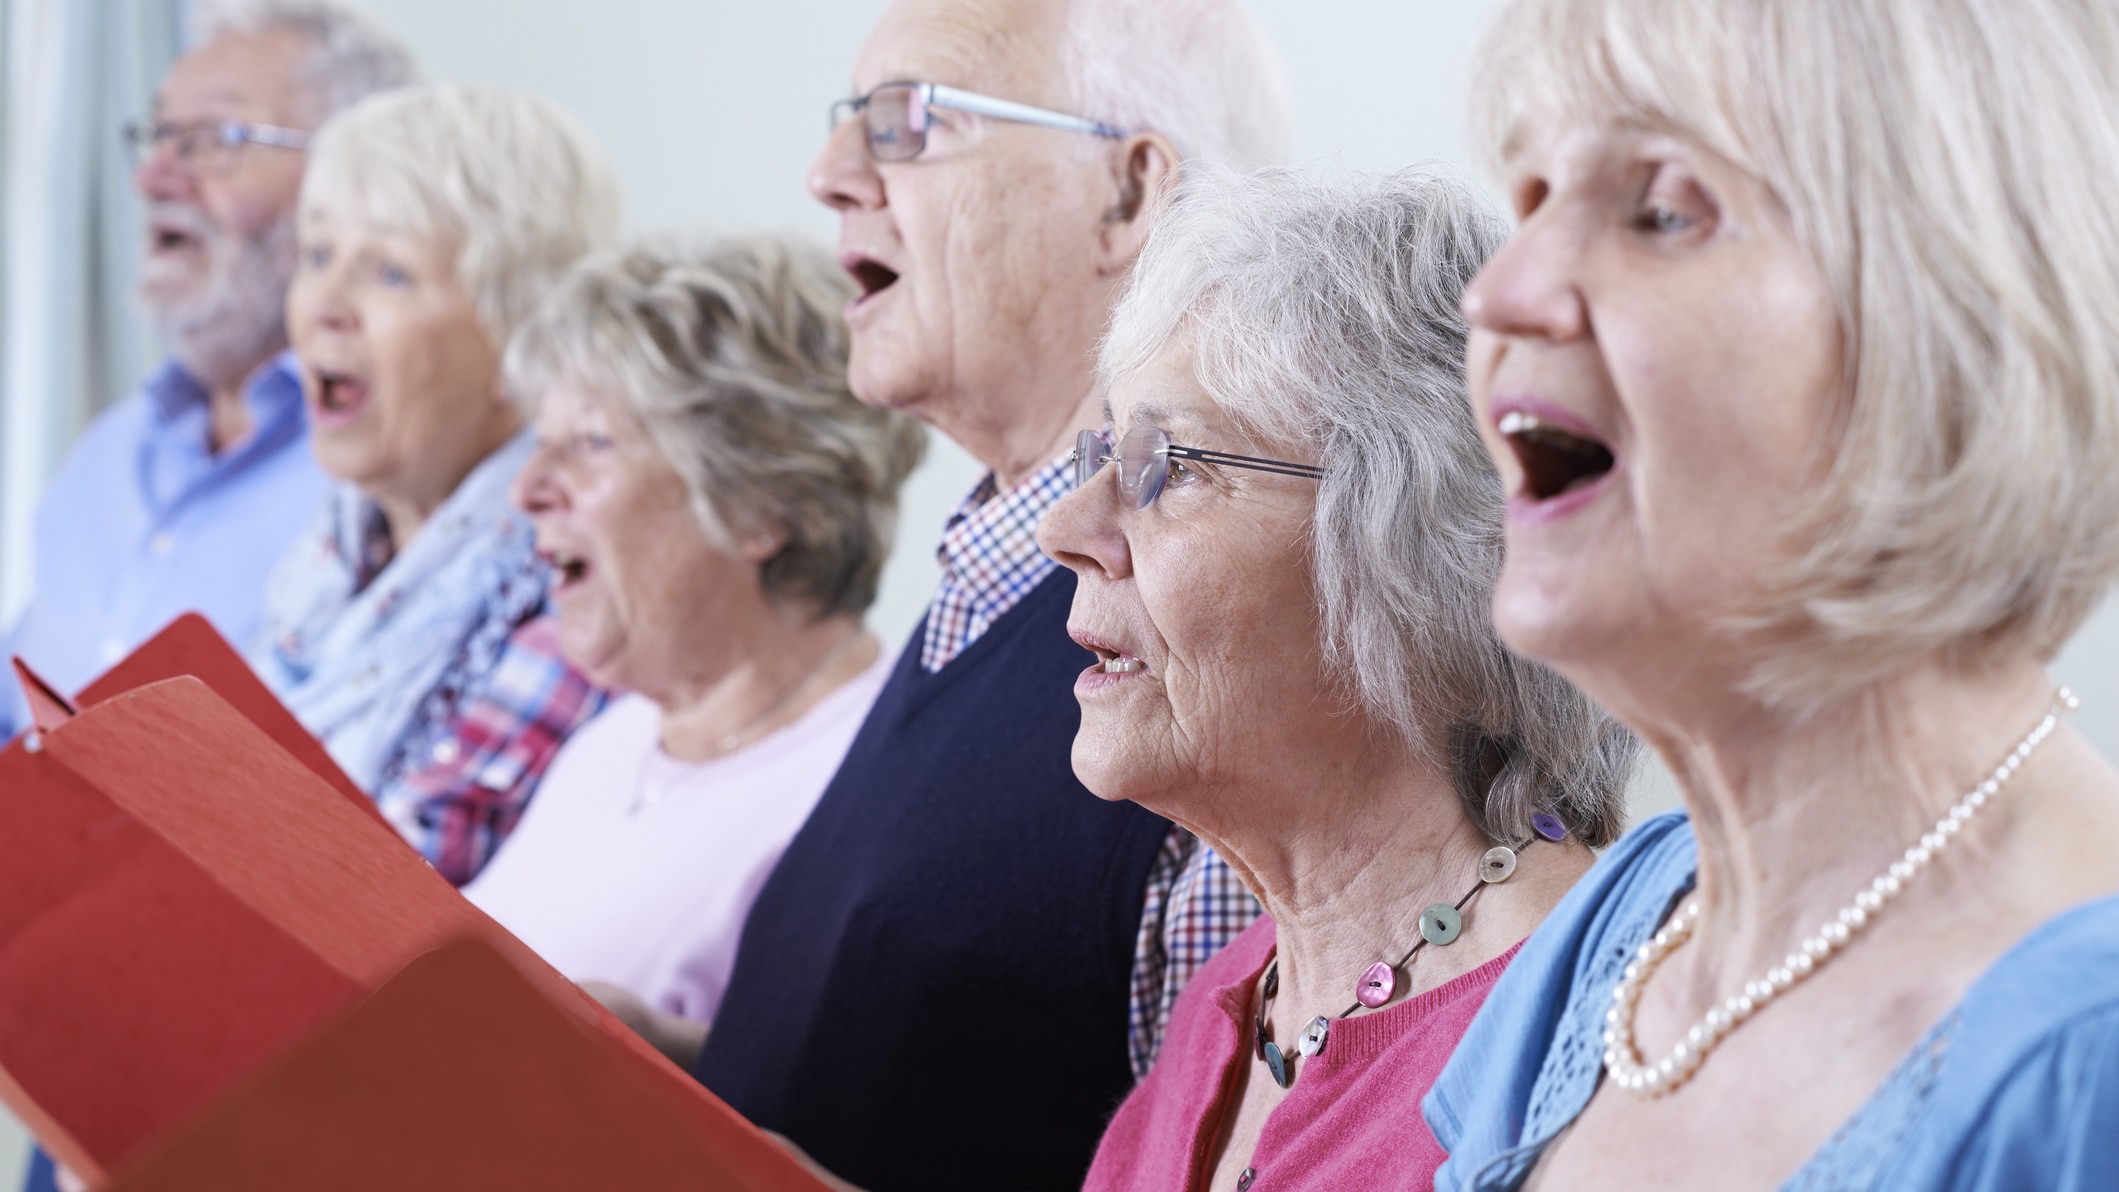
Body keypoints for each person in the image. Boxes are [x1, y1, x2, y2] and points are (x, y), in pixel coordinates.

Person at [1424, 0, 2119, 1188]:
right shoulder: (1608, 934)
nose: (1500, 290)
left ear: (1945, 316)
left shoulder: (2085, 1067)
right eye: (1530, 195)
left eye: (1660, 212)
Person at [694, 1, 1292, 1187]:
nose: (827, 176)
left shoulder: (1211, 666)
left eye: (907, 124)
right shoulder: (983, 580)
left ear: (1125, 192)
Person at [1042, 168, 1636, 1192]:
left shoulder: (1579, 1049)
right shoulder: (1234, 1002)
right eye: (1103, 452)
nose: (1065, 532)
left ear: (1413, 554)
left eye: (1165, 465)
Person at [464, 237, 924, 1071]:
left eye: (592, 443)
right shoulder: (614, 741)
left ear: (759, 503)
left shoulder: (872, 784)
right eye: (542, 440)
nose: (527, 488)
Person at [0, 0, 414, 739]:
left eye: (216, 138)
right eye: (158, 135)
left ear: (354, 185)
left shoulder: (394, 470)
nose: (156, 175)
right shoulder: (105, 455)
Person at [252, 85, 618, 884]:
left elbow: (393, 897)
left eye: (387, 271)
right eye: (317, 256)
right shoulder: (322, 559)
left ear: (518, 337)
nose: (324, 306)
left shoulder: (567, 588)